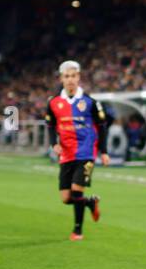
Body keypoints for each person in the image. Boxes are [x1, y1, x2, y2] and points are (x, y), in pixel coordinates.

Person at [45, 60, 109, 241]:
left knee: (76, 191)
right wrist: (53, 144)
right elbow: (50, 125)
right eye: (67, 76)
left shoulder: (90, 102)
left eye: (73, 76)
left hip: (86, 153)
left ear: (79, 77)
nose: (70, 80)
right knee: (66, 198)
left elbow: (102, 126)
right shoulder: (54, 102)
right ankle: (91, 203)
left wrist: (104, 151)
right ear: (61, 79)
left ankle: (77, 230)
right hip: (66, 154)